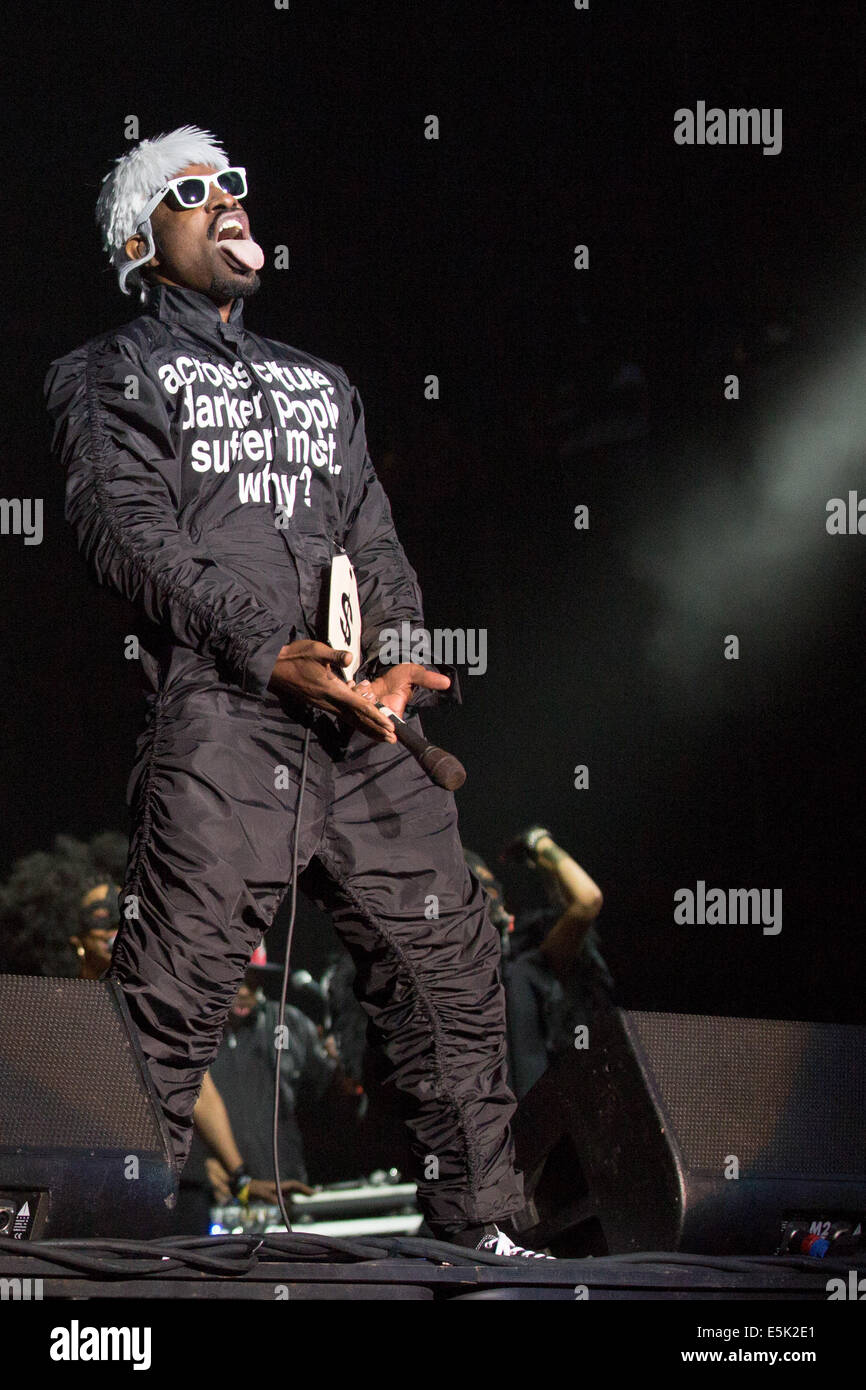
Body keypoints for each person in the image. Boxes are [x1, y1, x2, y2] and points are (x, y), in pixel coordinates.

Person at [44, 126, 543, 1255]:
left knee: (451, 970)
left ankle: (485, 1233)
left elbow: (372, 532)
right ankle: (87, 1247)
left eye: (232, 184)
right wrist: (264, 645)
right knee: (177, 989)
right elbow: (127, 531)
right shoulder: (110, 369)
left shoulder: (324, 382)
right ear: (140, 242)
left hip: (363, 725)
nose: (224, 201)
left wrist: (398, 655)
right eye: (189, 191)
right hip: (226, 712)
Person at [468, 829, 613, 1099]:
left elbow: (588, 899)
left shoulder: (531, 965)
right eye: (475, 889)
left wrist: (539, 843)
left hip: (548, 1126)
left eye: (491, 887)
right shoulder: (458, 982)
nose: (491, 897)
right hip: (491, 1132)